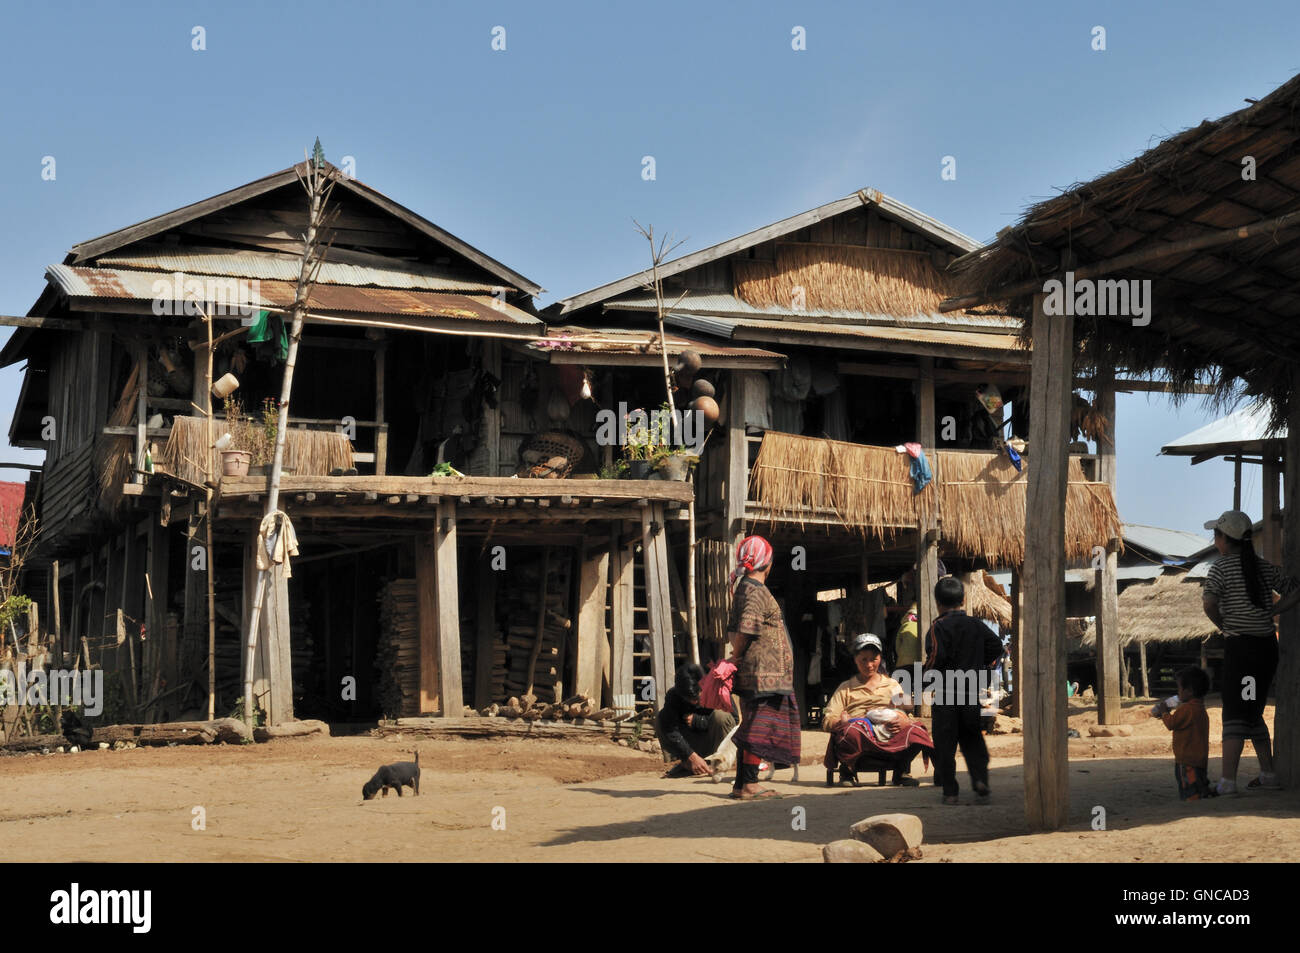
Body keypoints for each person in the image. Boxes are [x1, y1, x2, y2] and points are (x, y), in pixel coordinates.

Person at [1202, 509, 1300, 794]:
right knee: (1252, 709)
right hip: (1265, 650)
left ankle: (1228, 782)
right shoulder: (1264, 567)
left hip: (1241, 650)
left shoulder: (1219, 569)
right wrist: (1274, 611)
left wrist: (1224, 625)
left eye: (1216, 535)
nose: (1215, 541)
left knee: (1235, 712)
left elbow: (1209, 604)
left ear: (1224, 539)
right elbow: (1295, 589)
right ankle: (1268, 775)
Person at [726, 535, 801, 800]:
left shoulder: (744, 587)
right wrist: (735, 656)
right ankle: (749, 784)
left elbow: (737, 628)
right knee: (757, 728)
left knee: (752, 726)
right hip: (763, 674)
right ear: (767, 562)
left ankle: (741, 785)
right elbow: (747, 626)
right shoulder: (755, 590)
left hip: (760, 673)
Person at [924, 576, 1003, 805]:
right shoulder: (976, 625)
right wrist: (982, 667)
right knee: (973, 738)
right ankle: (980, 781)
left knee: (945, 744)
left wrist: (924, 678)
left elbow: (935, 657)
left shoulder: (938, 627)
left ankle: (950, 792)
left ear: (937, 602)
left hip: (947, 695)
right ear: (964, 599)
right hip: (971, 694)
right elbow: (996, 646)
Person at [822, 633, 933, 785]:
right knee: (850, 731)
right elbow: (828, 718)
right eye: (863, 660)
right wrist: (841, 723)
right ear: (855, 659)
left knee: (917, 730)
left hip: (888, 735)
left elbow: (906, 711)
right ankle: (847, 771)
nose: (869, 665)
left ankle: (901, 771)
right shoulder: (845, 688)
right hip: (859, 735)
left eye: (873, 659)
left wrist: (904, 720)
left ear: (880, 658)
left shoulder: (891, 685)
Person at [657, 663, 738, 778]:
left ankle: (718, 764)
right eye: (688, 698)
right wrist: (690, 756)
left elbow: (733, 720)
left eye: (696, 697)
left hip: (714, 743)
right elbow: (670, 729)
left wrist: (698, 721)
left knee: (722, 716)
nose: (693, 702)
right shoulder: (673, 696)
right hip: (691, 744)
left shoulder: (717, 690)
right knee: (662, 718)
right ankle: (687, 763)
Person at [1151, 667, 1213, 801]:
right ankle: (1202, 794)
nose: (1178, 693)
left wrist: (1164, 713)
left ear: (1189, 691)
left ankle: (1193, 799)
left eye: (1179, 689)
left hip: (1186, 759)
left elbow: (1171, 723)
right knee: (1199, 780)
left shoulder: (1186, 709)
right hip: (1200, 758)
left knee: (1188, 785)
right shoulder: (1200, 709)